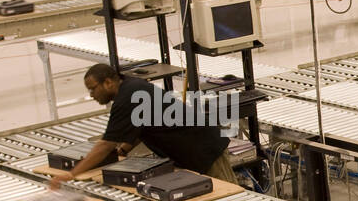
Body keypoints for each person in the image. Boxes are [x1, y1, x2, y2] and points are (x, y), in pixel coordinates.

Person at [49, 64, 237, 188]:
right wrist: (123, 150)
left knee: (229, 199)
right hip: (192, 151)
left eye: (92, 89)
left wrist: (72, 174)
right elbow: (140, 125)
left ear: (107, 82)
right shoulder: (131, 86)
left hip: (205, 150)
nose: (91, 95)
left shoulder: (126, 97)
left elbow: (105, 144)